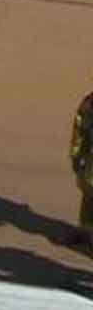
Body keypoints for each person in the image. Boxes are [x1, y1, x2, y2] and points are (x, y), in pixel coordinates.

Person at [68, 90, 93, 250]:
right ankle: (86, 232)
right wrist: (76, 155)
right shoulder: (89, 103)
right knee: (88, 196)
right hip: (91, 165)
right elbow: (80, 129)